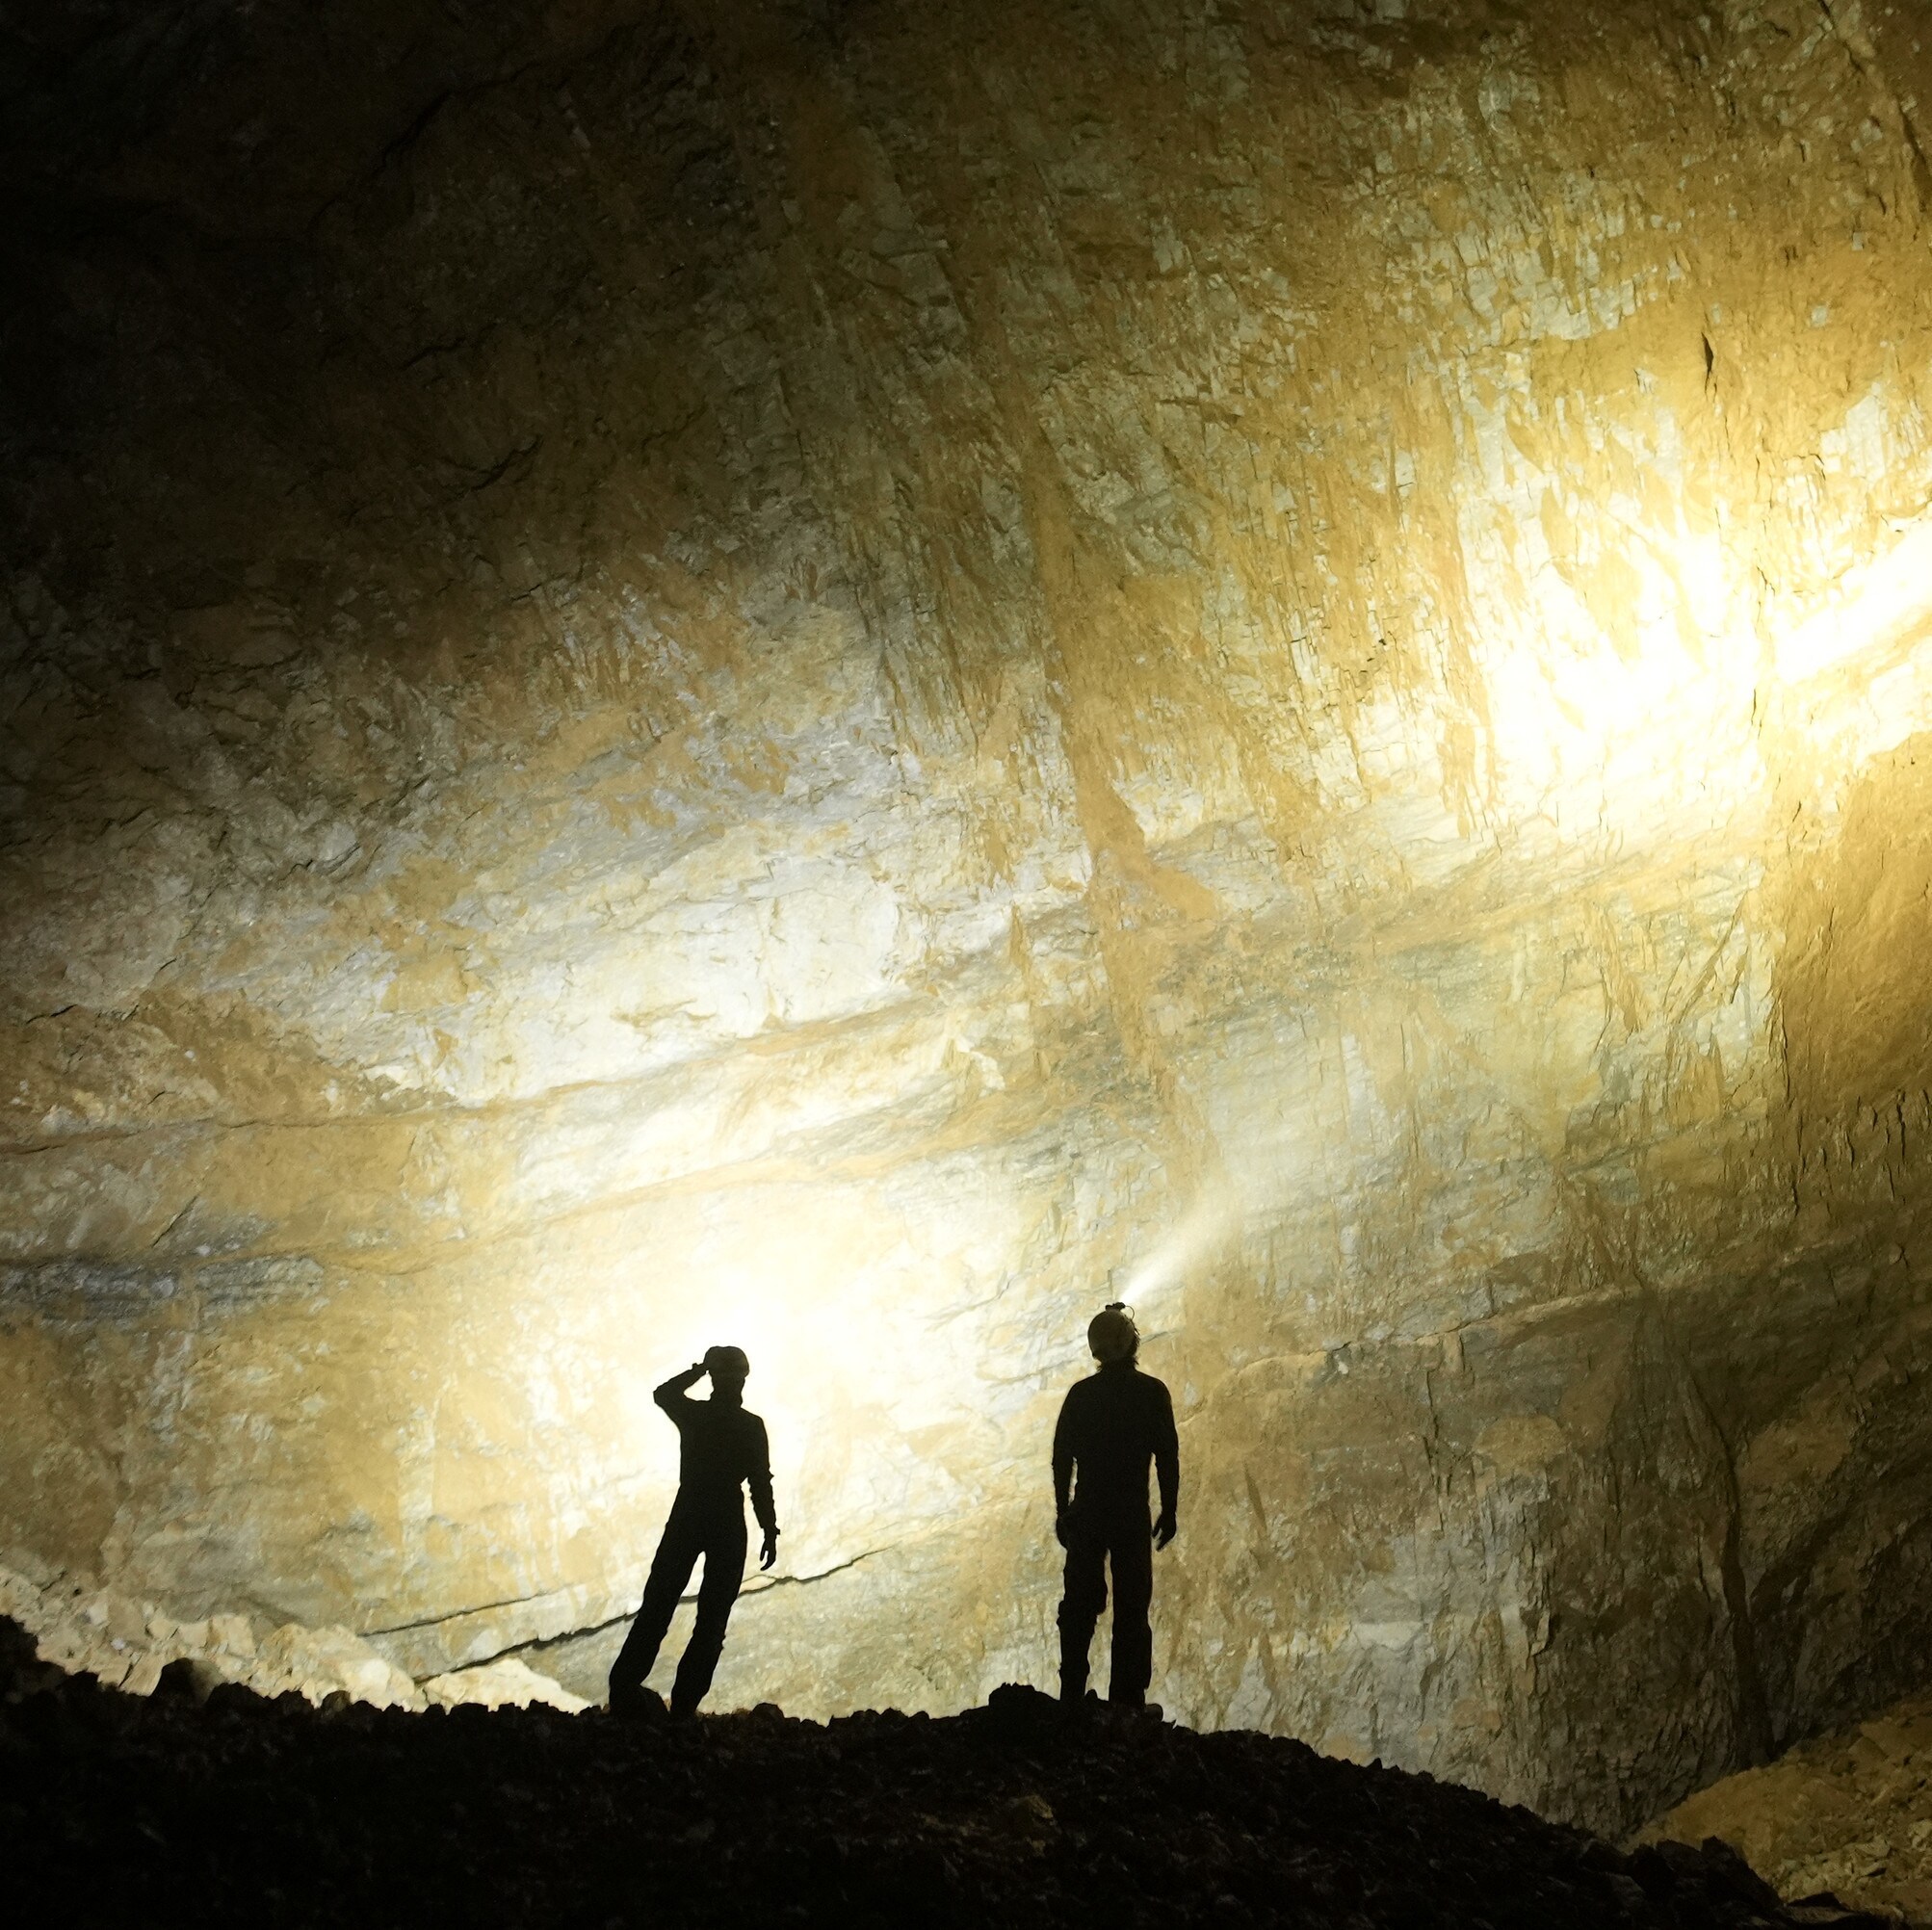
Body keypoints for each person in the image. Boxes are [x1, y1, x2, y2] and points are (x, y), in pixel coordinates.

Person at [608, 1345, 778, 1717]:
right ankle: (683, 1708)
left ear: (715, 1379)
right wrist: (769, 1528)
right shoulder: (750, 1426)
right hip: (727, 1522)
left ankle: (624, 1692)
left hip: (688, 1515)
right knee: (711, 1621)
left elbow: (663, 1395)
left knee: (659, 1605)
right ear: (742, 1381)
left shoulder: (696, 1415)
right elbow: (759, 1483)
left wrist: (699, 1370)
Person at [1052, 1301, 1179, 1708]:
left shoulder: (1081, 1396)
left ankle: (1071, 1697)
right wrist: (1170, 1509)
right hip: (1130, 1515)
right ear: (1132, 1342)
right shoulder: (1152, 1393)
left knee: (1078, 1607)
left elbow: (1061, 1456)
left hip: (1088, 1511)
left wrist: (1062, 1511)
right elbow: (1167, 1455)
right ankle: (1127, 1703)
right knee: (1131, 1609)